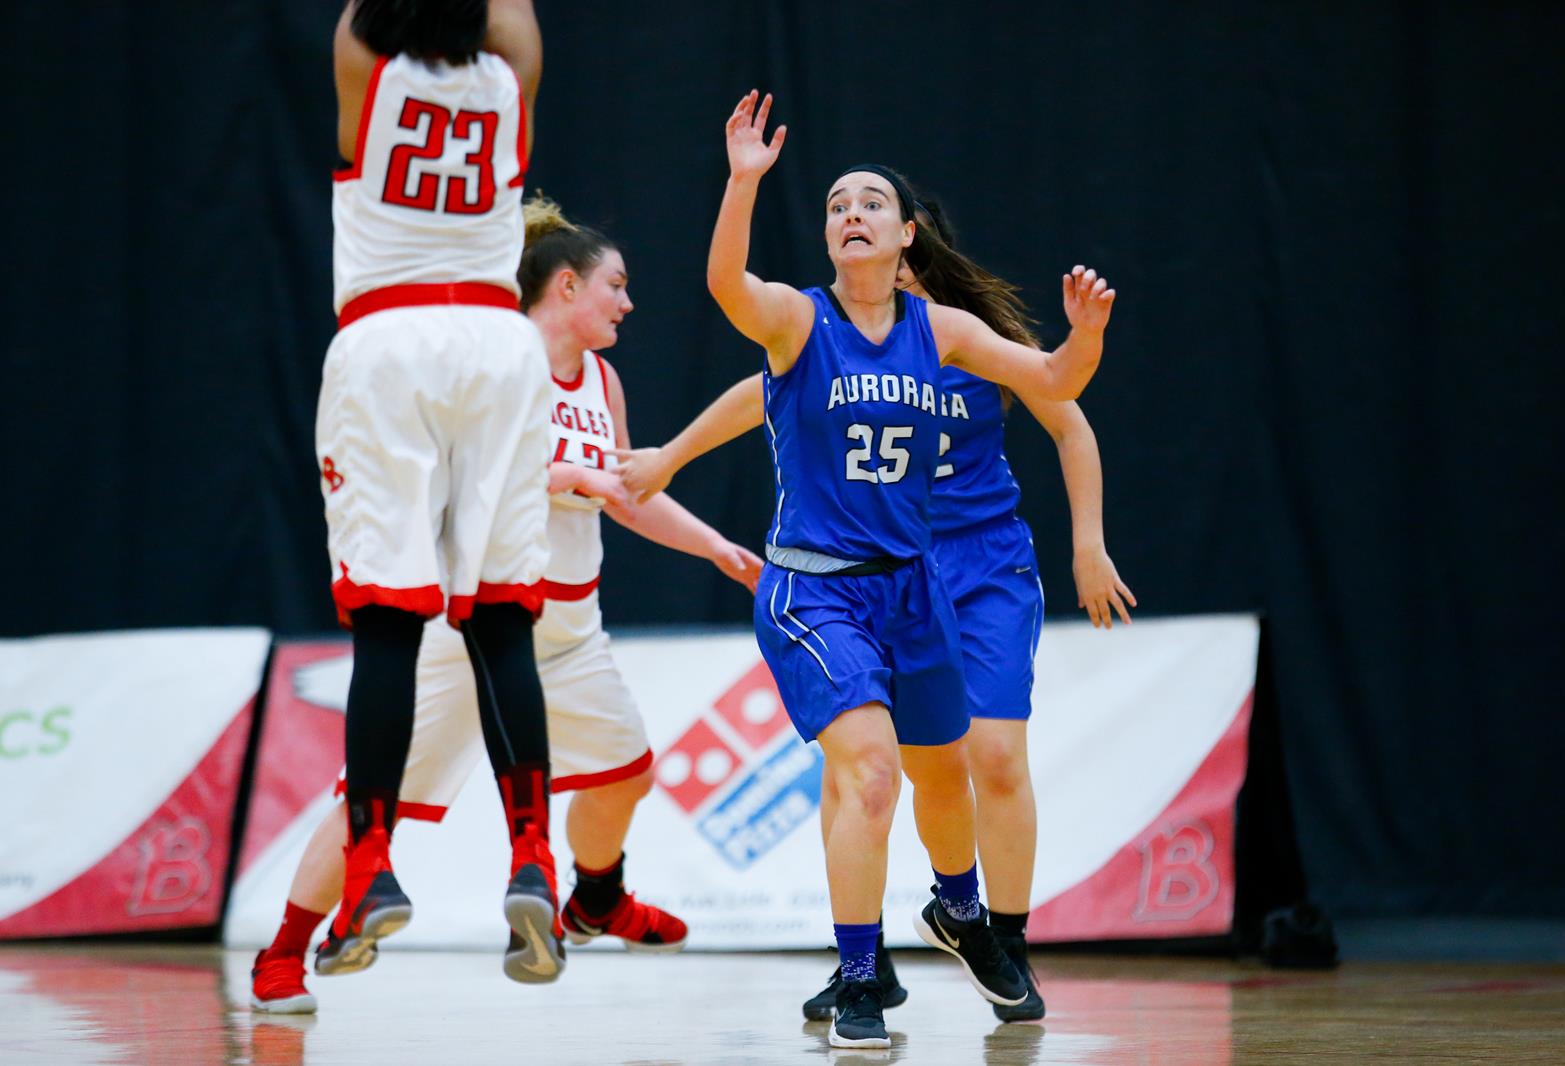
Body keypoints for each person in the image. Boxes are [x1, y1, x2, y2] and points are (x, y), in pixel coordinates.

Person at [615, 193, 1135, 1023]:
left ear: (908, 247)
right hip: (859, 567)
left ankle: (992, 930)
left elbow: (1063, 402)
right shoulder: (815, 332)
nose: (859, 228)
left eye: (876, 216)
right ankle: (863, 962)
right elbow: (757, 386)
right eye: (839, 210)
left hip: (968, 563)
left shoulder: (950, 334)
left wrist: (1088, 538)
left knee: (979, 761)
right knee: (863, 769)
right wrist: (671, 456)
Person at [252, 198, 763, 1012]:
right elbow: (470, 484)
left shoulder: (602, 379)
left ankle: (596, 897)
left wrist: (719, 548)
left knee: (627, 773)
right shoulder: (494, 364)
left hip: (572, 631)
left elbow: (629, 490)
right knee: (373, 803)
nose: (628, 303)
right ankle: (281, 957)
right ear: (565, 286)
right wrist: (571, 477)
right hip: (477, 632)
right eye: (615, 286)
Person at [314, 0, 562, 992]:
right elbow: (511, 20)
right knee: (502, 620)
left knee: (388, 624)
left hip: (388, 341)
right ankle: (534, 856)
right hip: (501, 347)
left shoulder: (362, 69)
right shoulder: (510, 80)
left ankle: (370, 869)